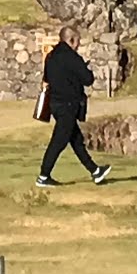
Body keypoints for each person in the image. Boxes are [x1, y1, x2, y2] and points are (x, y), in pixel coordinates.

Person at [35, 26, 111, 188]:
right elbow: (87, 79)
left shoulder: (51, 56)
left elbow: (47, 77)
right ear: (71, 40)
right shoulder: (72, 57)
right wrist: (84, 67)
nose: (78, 45)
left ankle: (95, 171)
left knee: (76, 141)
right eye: (77, 41)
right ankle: (43, 175)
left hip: (55, 104)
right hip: (68, 105)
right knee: (59, 141)